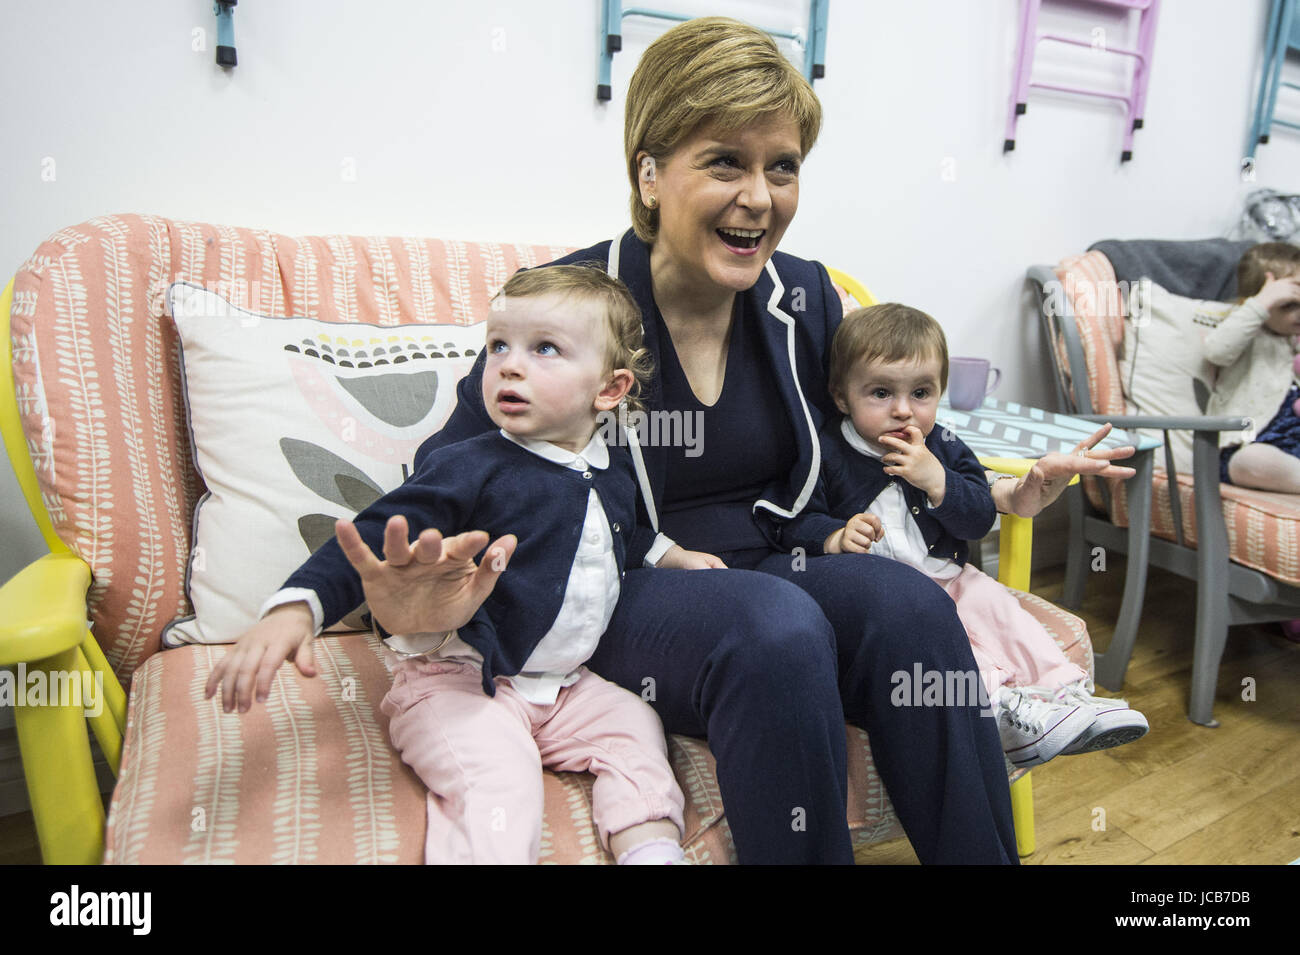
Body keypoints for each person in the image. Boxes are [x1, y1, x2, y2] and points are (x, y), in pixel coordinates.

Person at [206, 16, 1135, 864]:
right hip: (624, 591)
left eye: (783, 166)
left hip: (780, 562)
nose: (759, 198)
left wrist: (988, 493)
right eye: (725, 161)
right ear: (650, 174)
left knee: (906, 607)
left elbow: (879, 435)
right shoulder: (572, 311)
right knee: (775, 629)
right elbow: (451, 472)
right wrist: (403, 585)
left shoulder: (803, 296)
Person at [205, 265, 688, 865]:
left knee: (637, 729)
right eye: (498, 346)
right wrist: (298, 605)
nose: (509, 365)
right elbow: (379, 532)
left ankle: (651, 849)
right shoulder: (471, 464)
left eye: (545, 349)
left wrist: (673, 555)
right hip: (459, 681)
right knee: (500, 787)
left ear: (609, 390)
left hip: (563, 686)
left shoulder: (605, 466)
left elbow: (621, 530)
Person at [783, 303, 1150, 768]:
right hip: (888, 604)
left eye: (921, 392)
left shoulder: (945, 445)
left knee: (1000, 608)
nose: (902, 411)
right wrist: (834, 536)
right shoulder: (825, 451)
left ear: (940, 391)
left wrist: (937, 480)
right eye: (879, 393)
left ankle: (1066, 695)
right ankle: (1002, 713)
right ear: (841, 396)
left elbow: (978, 516)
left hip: (951, 576)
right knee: (954, 641)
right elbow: (789, 520)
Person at [1206, 242, 1300, 493]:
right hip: (1250, 442)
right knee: (1253, 462)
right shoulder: (1248, 333)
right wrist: (1261, 303)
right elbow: (1216, 350)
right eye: (1288, 305)